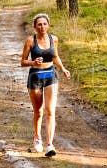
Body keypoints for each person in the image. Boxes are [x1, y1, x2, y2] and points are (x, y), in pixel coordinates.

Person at [20, 13, 71, 157]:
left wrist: (63, 68)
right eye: (39, 24)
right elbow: (22, 61)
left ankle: (50, 145)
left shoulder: (53, 39)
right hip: (35, 76)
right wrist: (33, 62)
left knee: (50, 111)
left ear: (48, 25)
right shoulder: (30, 41)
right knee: (39, 111)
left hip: (50, 75)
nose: (42, 27)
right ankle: (37, 137)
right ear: (35, 26)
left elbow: (55, 56)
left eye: (44, 24)